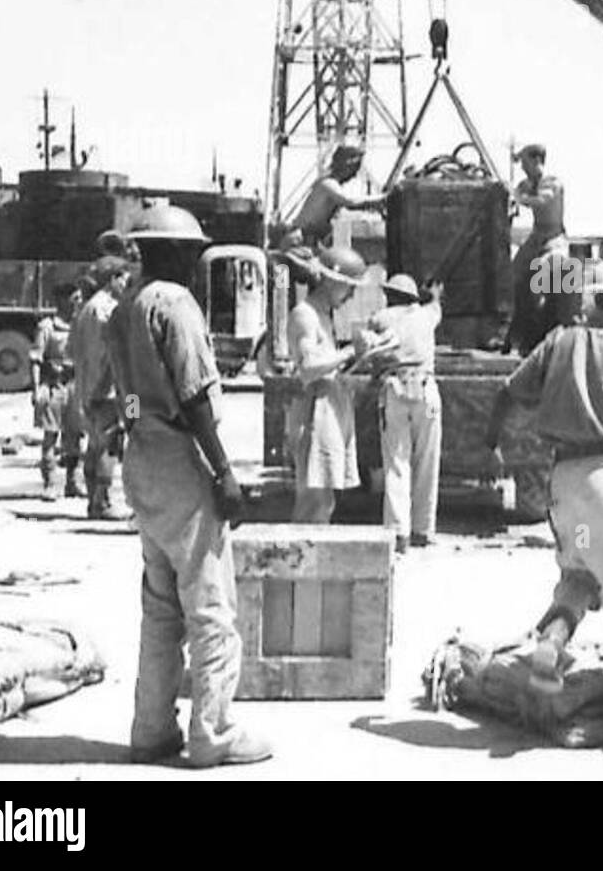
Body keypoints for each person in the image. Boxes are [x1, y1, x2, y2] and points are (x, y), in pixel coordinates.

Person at [484, 257, 603, 750]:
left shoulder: (558, 341)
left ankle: (550, 642)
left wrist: (494, 443)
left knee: (580, 575)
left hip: (564, 488)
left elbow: (508, 393)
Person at [107, 204, 270, 768]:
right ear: (174, 252)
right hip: (180, 460)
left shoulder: (122, 307)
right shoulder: (174, 305)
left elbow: (124, 395)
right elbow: (196, 394)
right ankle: (214, 734)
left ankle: (151, 729)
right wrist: (224, 472)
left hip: (143, 456)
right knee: (210, 608)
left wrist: (140, 421)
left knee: (160, 608)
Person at [285, 246, 371, 524]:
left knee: (324, 500)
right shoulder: (305, 315)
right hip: (314, 414)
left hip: (328, 411)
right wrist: (347, 353)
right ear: (332, 282)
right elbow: (309, 368)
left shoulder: (322, 316)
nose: (351, 297)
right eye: (348, 288)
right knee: (313, 500)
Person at [367, 273, 445, 553]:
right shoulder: (427, 316)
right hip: (425, 388)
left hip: (395, 389)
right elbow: (436, 303)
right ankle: (423, 530)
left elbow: (372, 356)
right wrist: (433, 293)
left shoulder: (379, 319)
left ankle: (398, 534)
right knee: (427, 463)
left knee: (397, 464)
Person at [69, 254, 133, 520]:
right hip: (105, 390)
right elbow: (110, 354)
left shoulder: (85, 308)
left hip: (86, 388)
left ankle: (94, 503)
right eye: (125, 279)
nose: (127, 284)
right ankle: (103, 502)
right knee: (110, 444)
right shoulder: (106, 309)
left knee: (94, 447)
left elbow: (73, 349)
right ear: (114, 279)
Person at [507, 144, 567, 355]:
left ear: (535, 160)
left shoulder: (552, 183)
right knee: (512, 275)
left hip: (554, 239)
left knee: (542, 277)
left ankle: (541, 332)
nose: (522, 166)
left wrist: (517, 196)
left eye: (524, 161)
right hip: (536, 236)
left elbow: (541, 201)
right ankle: (514, 333)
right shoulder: (526, 183)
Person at [30, 280, 85, 501]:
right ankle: (50, 484)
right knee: (50, 436)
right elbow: (35, 359)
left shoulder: (81, 325)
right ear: (62, 300)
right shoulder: (47, 326)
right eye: (75, 298)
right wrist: (36, 389)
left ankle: (73, 482)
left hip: (76, 384)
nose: (78, 303)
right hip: (54, 385)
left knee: (75, 436)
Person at [286, 143, 387, 250]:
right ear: (346, 166)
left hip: (311, 240)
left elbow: (348, 210)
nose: (354, 175)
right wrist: (381, 198)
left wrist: (374, 208)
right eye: (354, 169)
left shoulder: (332, 186)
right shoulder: (327, 184)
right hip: (298, 240)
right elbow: (349, 201)